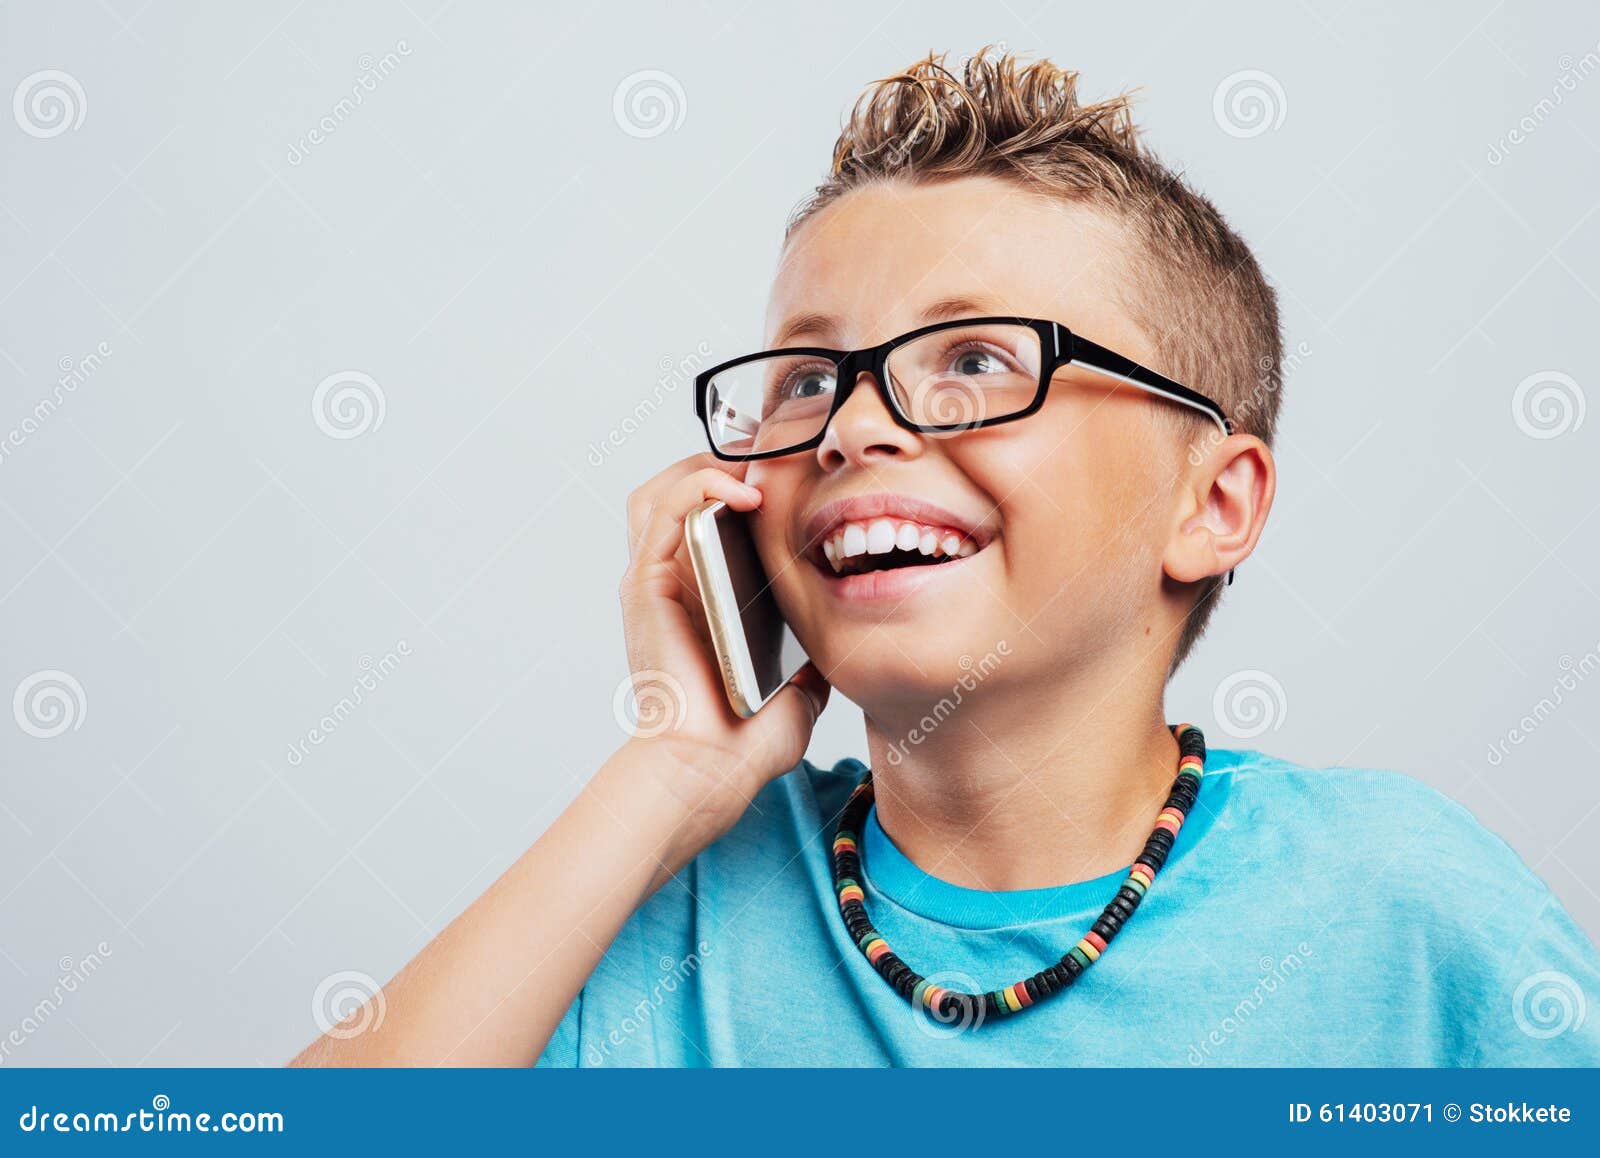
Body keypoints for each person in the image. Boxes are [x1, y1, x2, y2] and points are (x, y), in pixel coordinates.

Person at [293, 47, 1600, 1067]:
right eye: (807, 377)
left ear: (1214, 501)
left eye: (975, 359)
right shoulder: (676, 915)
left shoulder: (1395, 908)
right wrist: (668, 769)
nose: (855, 427)